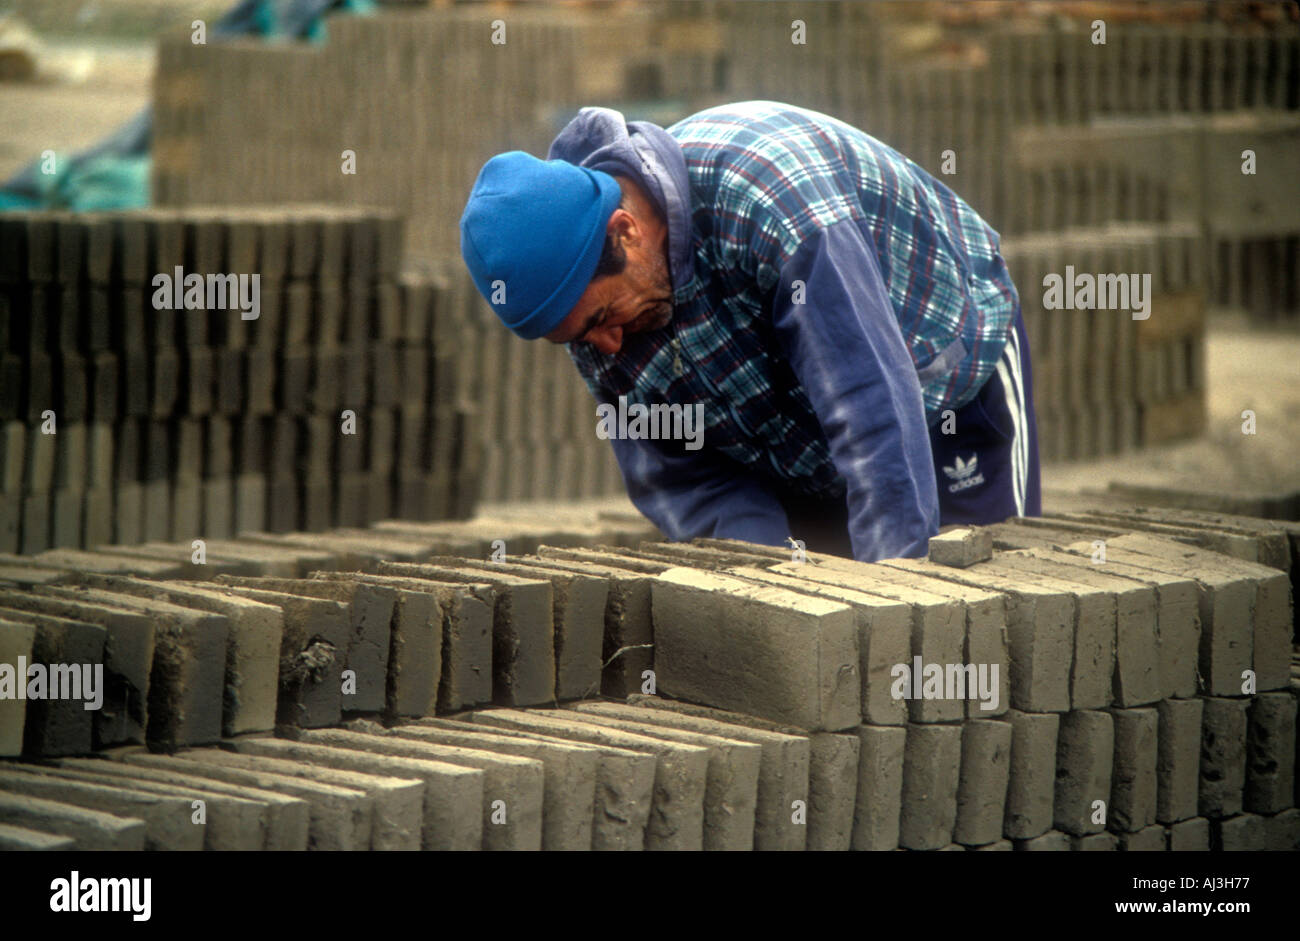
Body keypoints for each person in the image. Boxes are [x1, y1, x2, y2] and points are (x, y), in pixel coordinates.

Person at [459, 100, 1040, 562]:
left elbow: (873, 410)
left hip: (946, 387)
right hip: (795, 445)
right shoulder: (588, 302)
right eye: (579, 341)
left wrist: (893, 599)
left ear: (625, 231)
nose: (604, 349)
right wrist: (769, 585)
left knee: (979, 603)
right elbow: (685, 476)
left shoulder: (774, 204)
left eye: (601, 321)